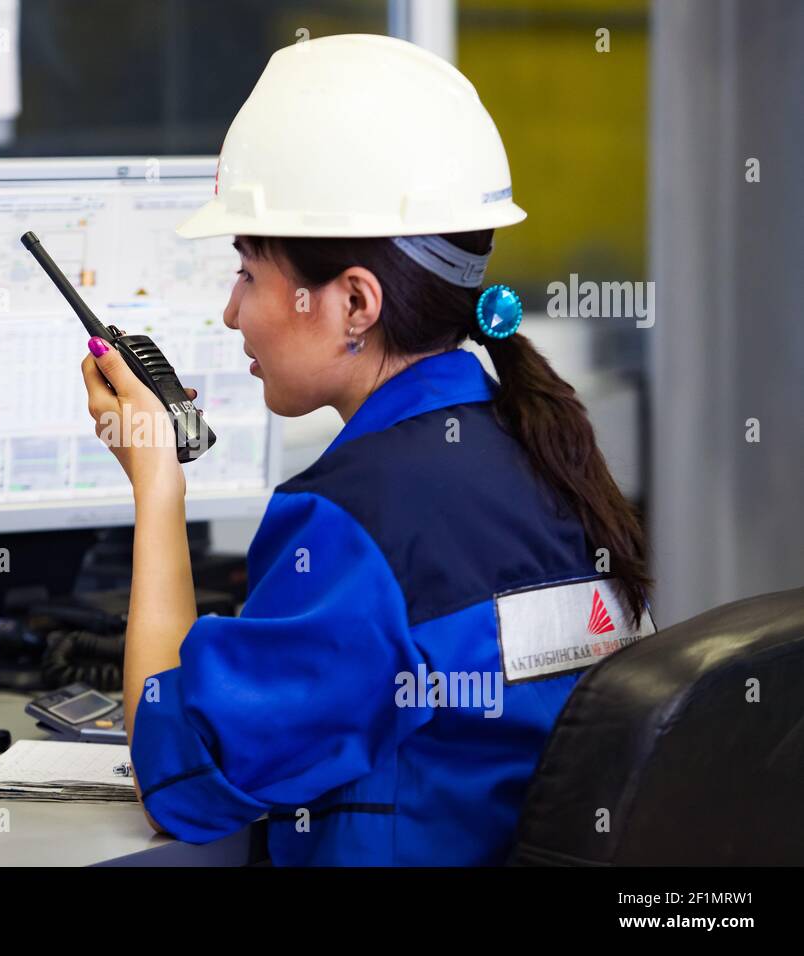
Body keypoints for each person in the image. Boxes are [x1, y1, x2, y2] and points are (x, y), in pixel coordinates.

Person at [79, 34, 654, 865]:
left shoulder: (356, 525)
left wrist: (155, 482)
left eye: (247, 270)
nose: (233, 311)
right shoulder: (544, 449)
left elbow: (178, 777)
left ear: (353, 301)